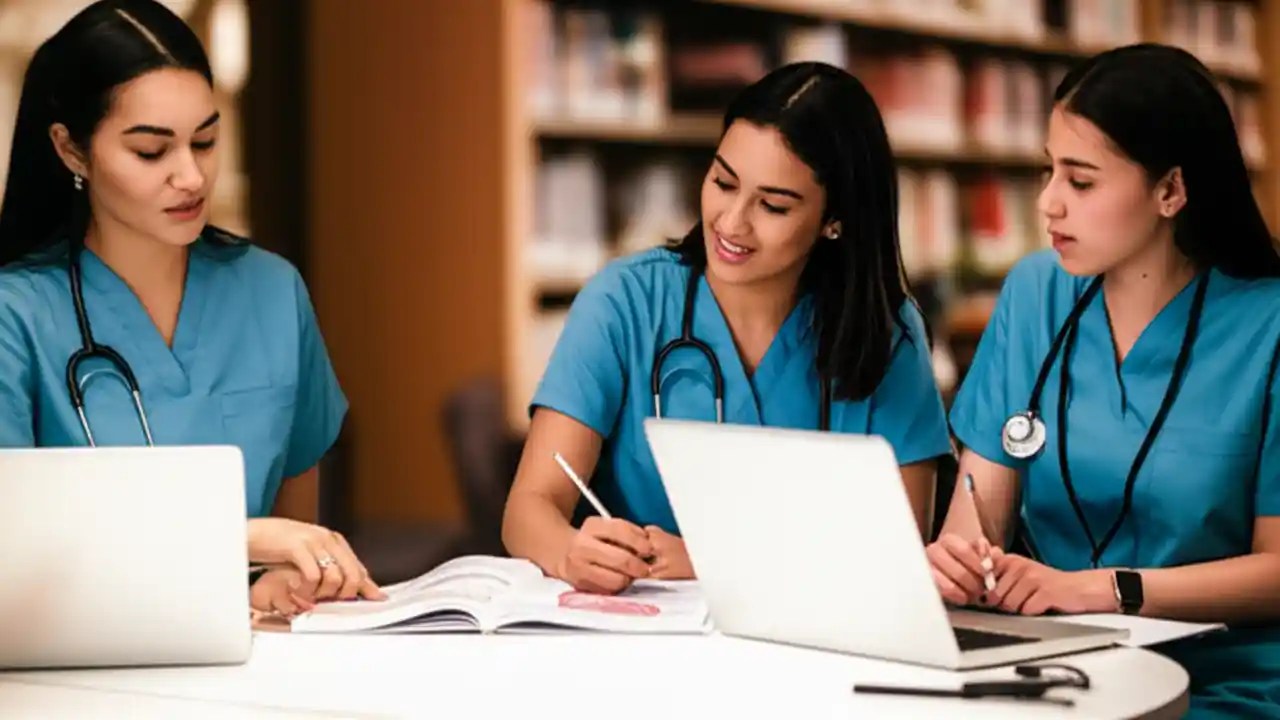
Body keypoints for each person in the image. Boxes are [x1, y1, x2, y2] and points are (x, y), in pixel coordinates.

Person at [503, 62, 953, 595]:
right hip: (638, 640)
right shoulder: (624, 302)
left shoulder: (886, 333)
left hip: (819, 649)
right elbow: (529, 510)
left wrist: (715, 560)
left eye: (772, 205)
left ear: (836, 219)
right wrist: (568, 550)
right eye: (723, 181)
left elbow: (900, 547)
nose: (732, 222)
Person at [0, 0, 383, 618]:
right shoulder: (15, 316)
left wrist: (280, 582)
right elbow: (12, 554)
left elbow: (292, 541)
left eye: (205, 141)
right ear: (71, 151)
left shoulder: (271, 293)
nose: (191, 177)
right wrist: (237, 538)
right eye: (152, 152)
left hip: (246, 672)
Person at [929, 44, 1280, 717]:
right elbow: (977, 519)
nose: (1048, 203)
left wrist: (1105, 589)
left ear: (1171, 190)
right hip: (1052, 664)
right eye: (1046, 171)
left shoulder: (1268, 327)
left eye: (1080, 181)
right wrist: (960, 562)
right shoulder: (1035, 294)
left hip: (1223, 677)